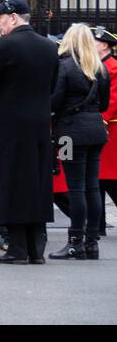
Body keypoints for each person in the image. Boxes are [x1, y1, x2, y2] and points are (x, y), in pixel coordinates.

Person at [0, 0, 59, 265]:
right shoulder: (48, 46)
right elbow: (52, 85)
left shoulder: (4, 45)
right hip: (40, 124)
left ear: (13, 17)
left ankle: (17, 248)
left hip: (10, 124)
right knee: (36, 182)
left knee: (11, 181)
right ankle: (36, 249)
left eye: (0, 19)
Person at [48, 23, 110, 260]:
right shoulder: (99, 68)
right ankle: (91, 242)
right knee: (92, 186)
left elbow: (54, 102)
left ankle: (75, 241)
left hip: (68, 132)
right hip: (95, 130)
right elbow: (103, 105)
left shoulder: (64, 67)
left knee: (75, 187)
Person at [94, 27, 117, 233]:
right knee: (98, 178)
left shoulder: (112, 66)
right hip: (102, 128)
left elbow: (111, 99)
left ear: (103, 45)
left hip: (110, 129)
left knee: (109, 178)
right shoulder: (101, 65)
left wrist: (100, 122)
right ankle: (97, 225)